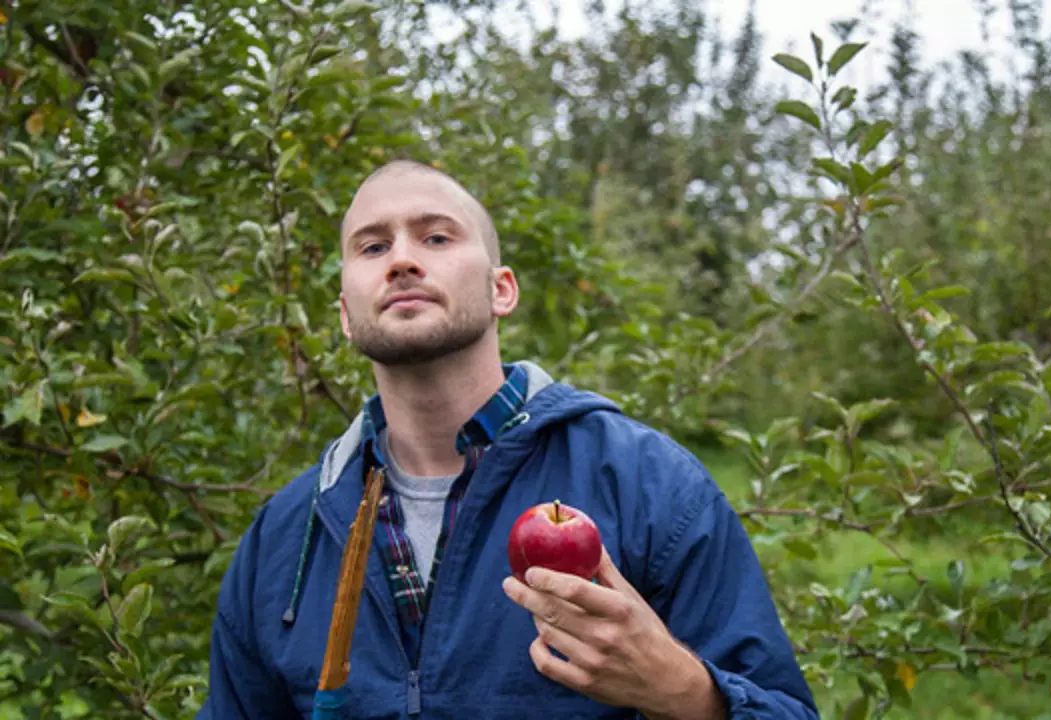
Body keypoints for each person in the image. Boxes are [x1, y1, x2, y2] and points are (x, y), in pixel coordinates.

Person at [197, 159, 819, 719]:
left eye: (437, 237)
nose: (403, 259)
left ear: (502, 290)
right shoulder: (286, 537)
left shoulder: (644, 483)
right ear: (345, 317)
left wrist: (682, 690)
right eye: (373, 246)